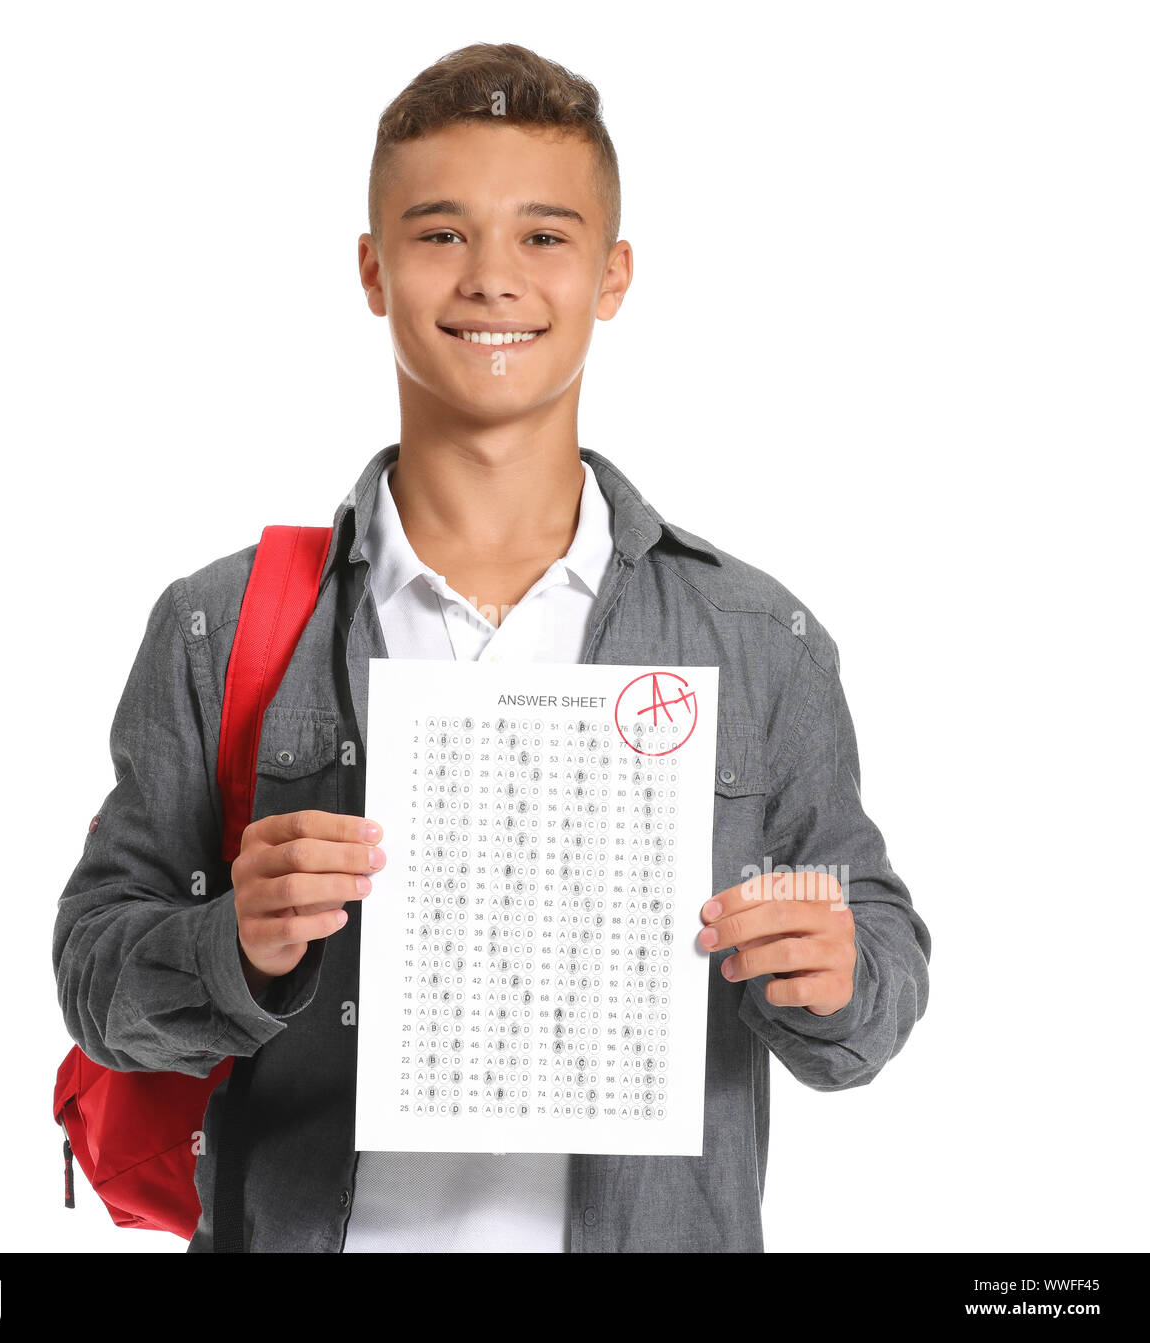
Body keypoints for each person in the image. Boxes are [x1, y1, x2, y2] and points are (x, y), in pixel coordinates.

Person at [53, 41, 931, 1253]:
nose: (492, 279)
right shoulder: (222, 623)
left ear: (612, 275)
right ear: (373, 269)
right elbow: (95, 979)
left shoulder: (757, 642)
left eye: (544, 236)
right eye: (441, 233)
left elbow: (875, 976)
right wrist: (234, 945)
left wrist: (837, 969)